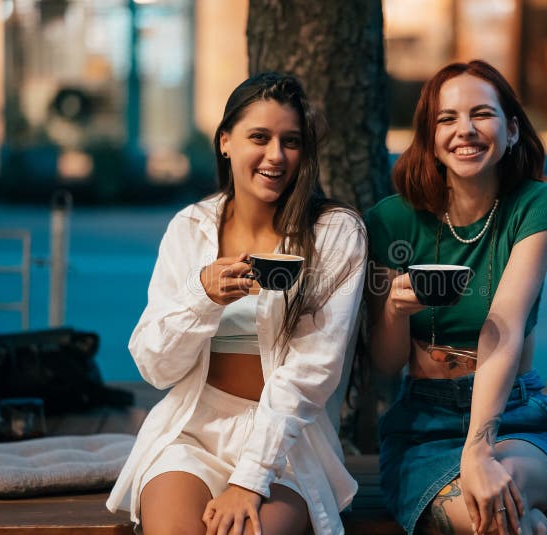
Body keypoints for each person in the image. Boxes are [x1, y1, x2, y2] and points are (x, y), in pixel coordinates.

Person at [106, 72, 367, 535]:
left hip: (286, 445)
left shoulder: (334, 233)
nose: (276, 155)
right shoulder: (191, 228)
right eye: (259, 138)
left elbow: (313, 374)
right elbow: (155, 366)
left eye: (291, 141)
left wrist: (249, 480)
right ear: (226, 142)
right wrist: (201, 297)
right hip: (192, 431)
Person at [366, 60, 547, 535]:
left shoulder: (536, 204)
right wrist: (395, 310)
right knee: (516, 523)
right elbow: (382, 365)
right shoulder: (392, 220)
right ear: (430, 139)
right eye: (447, 119)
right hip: (423, 422)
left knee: (502, 511)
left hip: (514, 419)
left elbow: (504, 324)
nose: (465, 130)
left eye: (482, 114)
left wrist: (479, 446)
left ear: (512, 130)